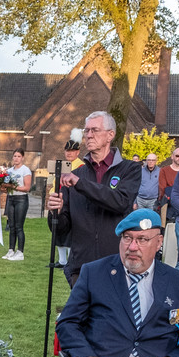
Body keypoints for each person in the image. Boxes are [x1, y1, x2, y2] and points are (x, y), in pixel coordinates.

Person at [56, 208, 179, 357]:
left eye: (142, 239)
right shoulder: (94, 273)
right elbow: (67, 322)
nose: (132, 247)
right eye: (127, 238)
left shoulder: (176, 281)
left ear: (159, 242)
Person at [47, 111, 141, 287]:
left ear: (110, 135)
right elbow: (61, 230)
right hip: (81, 268)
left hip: (117, 265)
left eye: (95, 130)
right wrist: (55, 213)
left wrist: (80, 184)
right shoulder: (74, 175)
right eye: (86, 130)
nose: (89, 135)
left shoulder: (129, 169)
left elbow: (120, 202)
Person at [54, 133, 84, 267]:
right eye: (67, 150)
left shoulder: (81, 167)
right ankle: (62, 260)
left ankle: (71, 260)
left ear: (77, 152)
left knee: (71, 232)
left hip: (73, 202)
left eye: (72, 151)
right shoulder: (62, 166)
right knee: (59, 230)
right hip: (61, 200)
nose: (69, 153)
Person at [2, 148, 31, 261]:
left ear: (22, 157)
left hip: (21, 199)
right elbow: (6, 187)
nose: (16, 158)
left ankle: (20, 252)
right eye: (15, 156)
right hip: (11, 198)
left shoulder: (25, 170)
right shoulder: (9, 171)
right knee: (11, 226)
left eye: (19, 156)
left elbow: (27, 188)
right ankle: (11, 250)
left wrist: (12, 186)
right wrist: (2, 187)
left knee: (19, 226)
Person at [158, 148, 179, 223]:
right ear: (172, 156)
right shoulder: (164, 170)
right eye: (177, 156)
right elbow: (163, 188)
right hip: (168, 205)